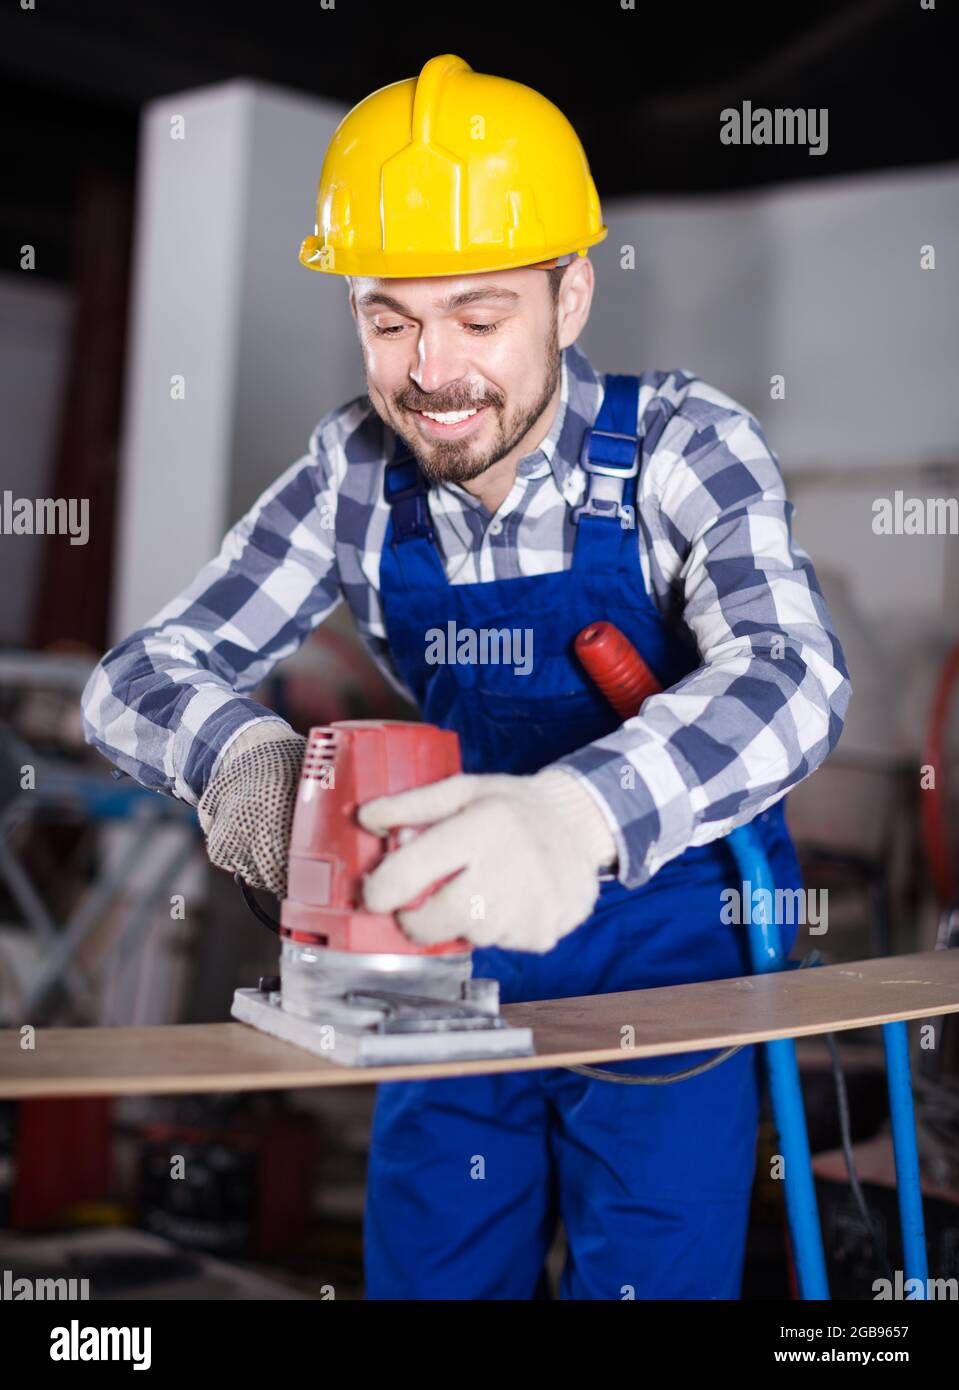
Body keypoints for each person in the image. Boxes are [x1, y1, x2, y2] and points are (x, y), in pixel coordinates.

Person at [82, 54, 851, 1299]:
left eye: (480, 317)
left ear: (570, 295)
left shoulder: (679, 445)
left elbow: (795, 677)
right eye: (390, 320)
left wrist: (573, 815)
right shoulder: (352, 472)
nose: (432, 373)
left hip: (666, 963)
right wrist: (246, 762)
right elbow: (134, 678)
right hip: (431, 970)